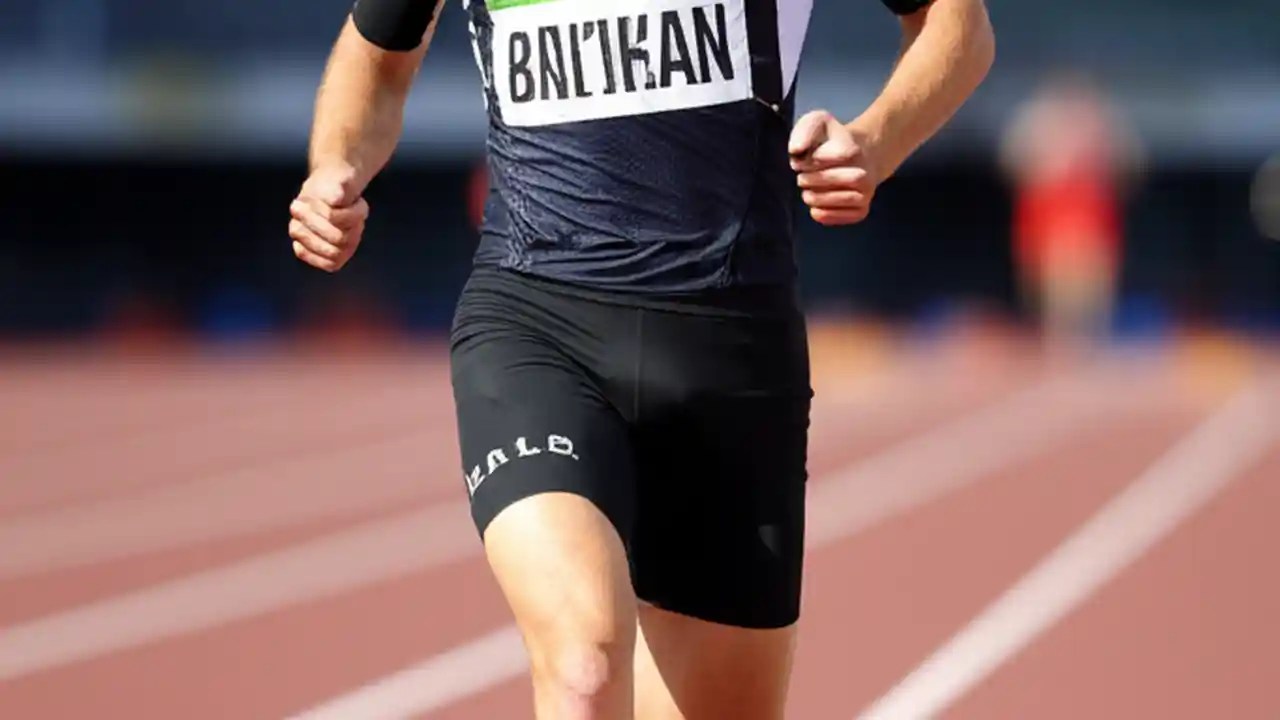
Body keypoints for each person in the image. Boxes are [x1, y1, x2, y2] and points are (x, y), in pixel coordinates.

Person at [287, 0, 993, 716]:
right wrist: (334, 166)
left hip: (731, 350)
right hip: (537, 323)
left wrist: (874, 143)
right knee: (584, 663)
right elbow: (376, 60)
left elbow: (958, 26)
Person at [999, 71, 1143, 354]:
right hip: (1051, 211)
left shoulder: (1105, 122)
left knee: (1091, 275)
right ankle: (1060, 340)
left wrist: (1098, 166)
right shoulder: (1036, 121)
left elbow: (1130, 168)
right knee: (1055, 279)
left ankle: (1091, 338)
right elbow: (1014, 165)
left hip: (1091, 211)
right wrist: (1050, 167)